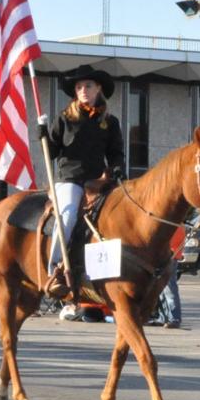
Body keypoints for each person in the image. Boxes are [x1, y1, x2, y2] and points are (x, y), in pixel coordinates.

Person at [38, 64, 125, 300]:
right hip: (71, 179)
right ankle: (55, 267)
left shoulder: (111, 121)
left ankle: (112, 272)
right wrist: (44, 135)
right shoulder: (65, 118)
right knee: (66, 216)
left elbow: (116, 152)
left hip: (99, 181)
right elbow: (52, 151)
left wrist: (117, 168)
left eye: (88, 85)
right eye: (79, 86)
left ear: (98, 88)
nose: (83, 89)